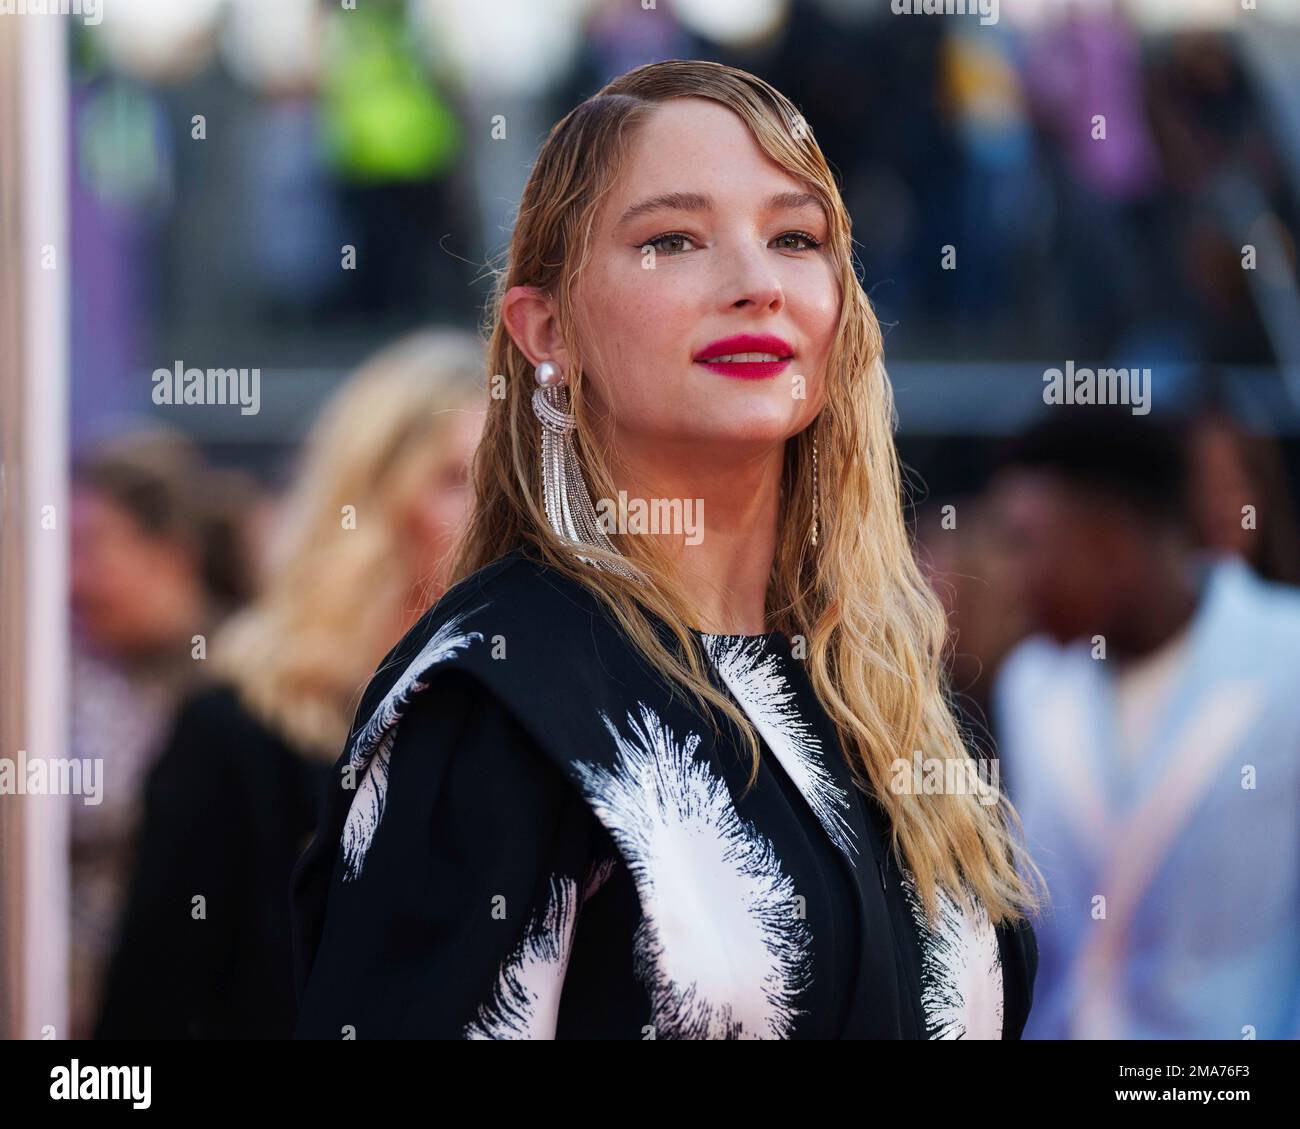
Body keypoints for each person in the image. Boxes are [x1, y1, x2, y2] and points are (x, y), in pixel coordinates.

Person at [292, 60, 1042, 1041]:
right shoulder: (493, 701)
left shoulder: (890, 688)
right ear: (546, 327)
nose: (755, 284)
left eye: (795, 238)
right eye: (673, 240)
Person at [94, 330, 485, 1039]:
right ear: (375, 502)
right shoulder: (236, 733)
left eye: (508, 484)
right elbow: (146, 1015)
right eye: (456, 478)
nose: (492, 513)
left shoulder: (519, 727)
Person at [989, 405, 1300, 1039]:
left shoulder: (1288, 658)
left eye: (1027, 544)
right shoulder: (1032, 683)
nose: (1013, 579)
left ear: (1110, 542)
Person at [69, 428, 257, 1039]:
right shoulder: (70, 678)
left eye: (90, 547)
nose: (70, 581)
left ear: (169, 553)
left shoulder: (246, 687)